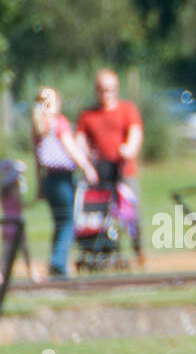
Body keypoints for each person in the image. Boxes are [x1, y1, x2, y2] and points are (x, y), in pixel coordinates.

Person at [76, 69, 144, 265]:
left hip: (124, 171)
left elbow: (135, 133)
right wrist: (85, 157)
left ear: (116, 89)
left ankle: (139, 249)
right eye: (102, 90)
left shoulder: (127, 109)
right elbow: (80, 140)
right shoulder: (87, 115)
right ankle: (108, 250)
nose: (106, 94)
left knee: (132, 214)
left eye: (110, 90)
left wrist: (129, 149)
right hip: (100, 175)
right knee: (101, 215)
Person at [31, 86, 98, 279]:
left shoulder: (37, 125)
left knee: (59, 221)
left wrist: (39, 185)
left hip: (49, 179)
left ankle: (55, 261)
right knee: (68, 221)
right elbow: (71, 149)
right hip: (62, 179)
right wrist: (87, 167)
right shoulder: (58, 123)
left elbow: (37, 161)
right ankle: (58, 263)